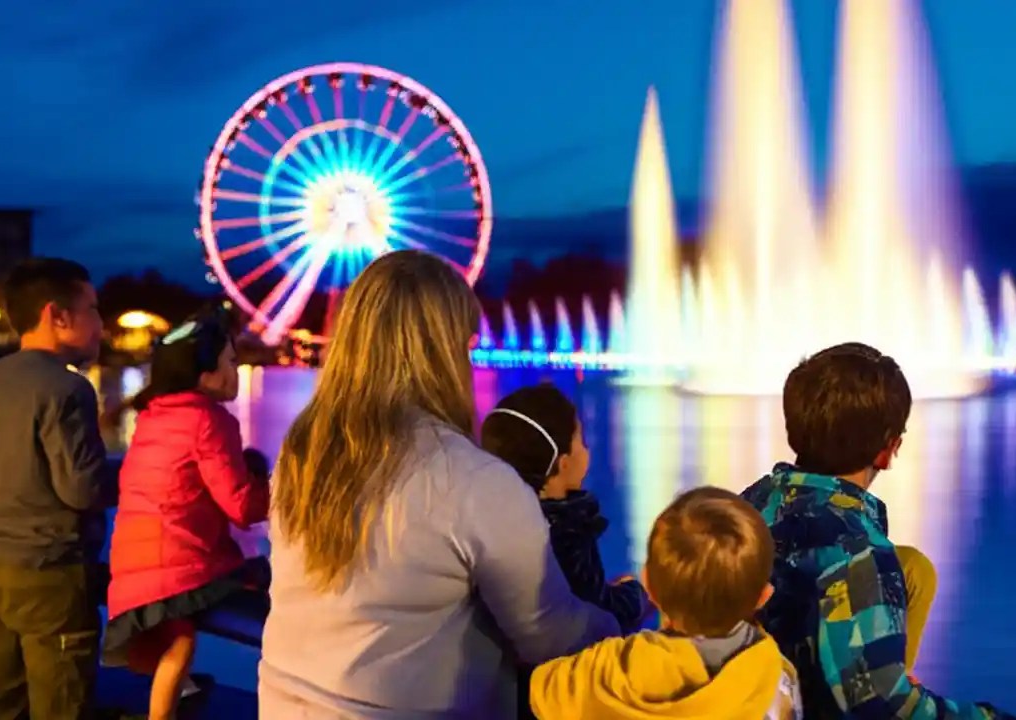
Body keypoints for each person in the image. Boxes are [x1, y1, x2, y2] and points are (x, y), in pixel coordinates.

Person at [258, 250, 620, 718]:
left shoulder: (302, 455)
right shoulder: (474, 480)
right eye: (466, 344)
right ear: (444, 349)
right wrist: (622, 614)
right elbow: (549, 633)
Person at [740, 342, 1015, 719]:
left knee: (914, 568)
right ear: (888, 451)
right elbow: (878, 707)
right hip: (801, 706)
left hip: (757, 682)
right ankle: (882, 672)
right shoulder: (858, 550)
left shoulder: (752, 501)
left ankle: (884, 667)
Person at [0, 257, 110, 719]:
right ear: (56, 316)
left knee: (0, 699)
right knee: (61, 705)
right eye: (93, 310)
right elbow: (81, 490)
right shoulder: (66, 390)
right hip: (51, 575)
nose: (101, 327)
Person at [105, 313, 270, 720]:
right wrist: (280, 489)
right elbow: (242, 506)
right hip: (181, 563)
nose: (236, 371)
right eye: (231, 362)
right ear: (205, 372)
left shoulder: (153, 416)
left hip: (131, 565)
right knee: (254, 584)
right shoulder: (209, 420)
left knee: (170, 639)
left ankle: (185, 691)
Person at [529, 486, 802, 719]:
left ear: (647, 584)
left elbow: (541, 691)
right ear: (763, 597)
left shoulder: (608, 670)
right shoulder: (776, 681)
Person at [480, 384, 651, 633]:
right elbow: (595, 615)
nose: (587, 449)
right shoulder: (565, 533)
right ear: (563, 463)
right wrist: (635, 595)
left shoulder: (493, 521)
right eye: (581, 440)